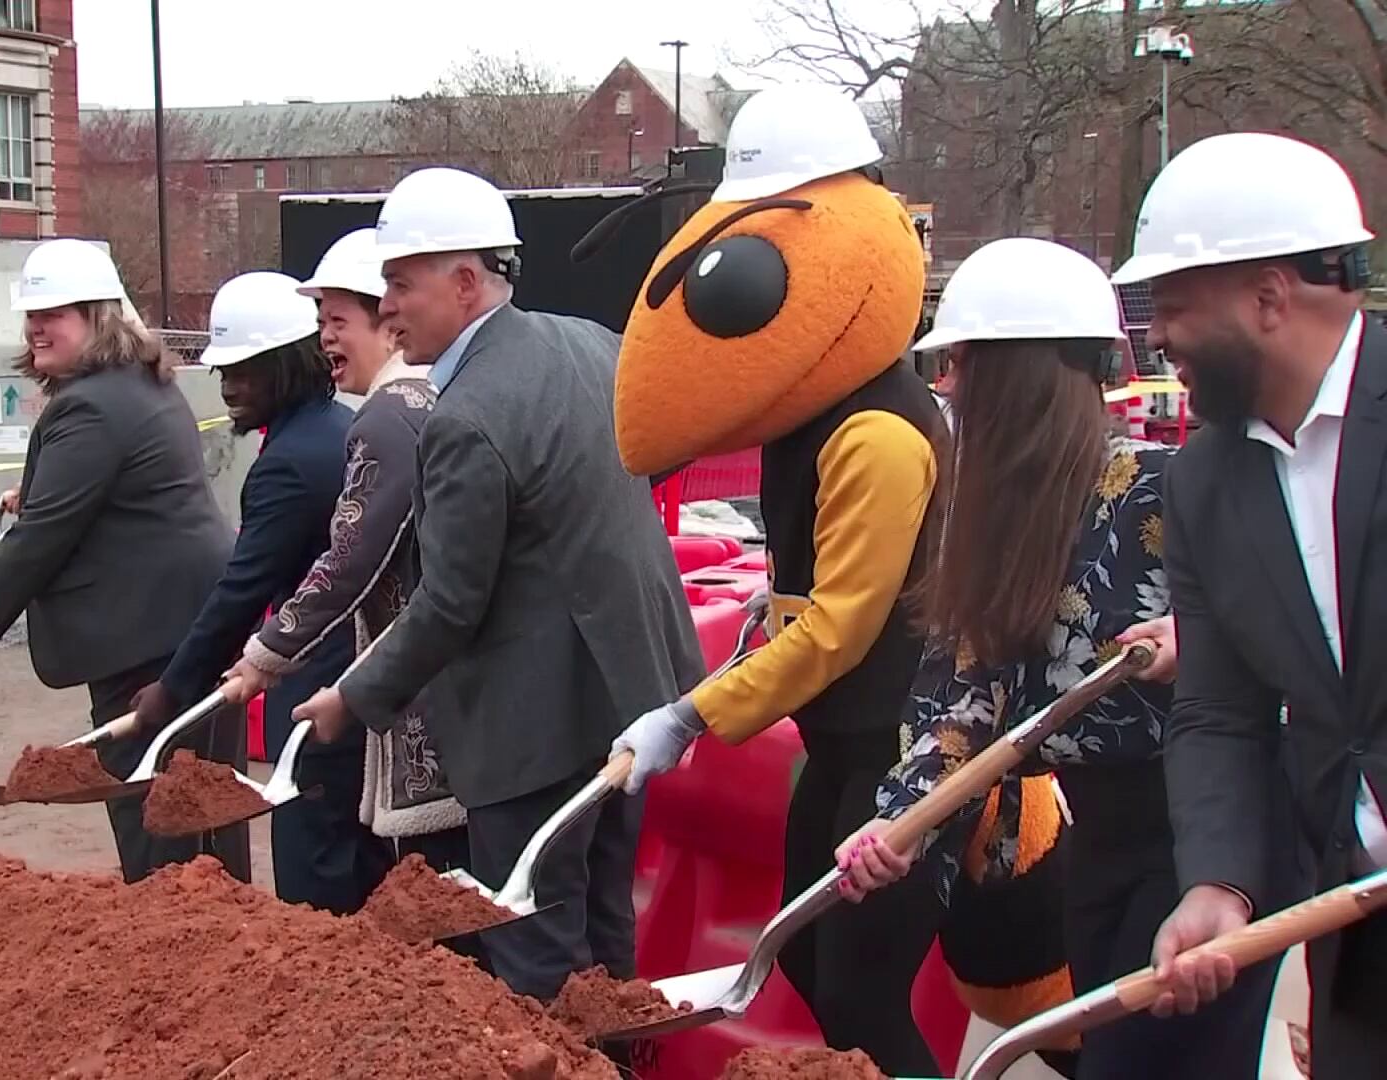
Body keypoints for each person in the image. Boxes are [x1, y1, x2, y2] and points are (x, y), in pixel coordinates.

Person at [831, 237, 1280, 1079]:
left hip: (1204, 832)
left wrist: (1202, 646)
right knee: (1105, 1052)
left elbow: (1295, 645)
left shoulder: (1168, 488)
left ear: (1018, 376)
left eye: (960, 364)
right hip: (1099, 840)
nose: (947, 386)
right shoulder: (989, 516)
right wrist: (899, 821)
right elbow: (966, 698)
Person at [595, 82, 953, 1076]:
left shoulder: (878, 430)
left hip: (896, 750)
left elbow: (843, 624)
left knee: (861, 993)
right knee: (802, 954)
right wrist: (771, 599)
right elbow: (820, 589)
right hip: (837, 746)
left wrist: (693, 714)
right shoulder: (820, 418)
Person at [294, 166, 704, 1002]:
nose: (391, 307)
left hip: (534, 730)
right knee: (605, 934)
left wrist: (351, 695)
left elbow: (449, 601)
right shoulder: (592, 344)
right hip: (632, 702)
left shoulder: (465, 417)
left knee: (536, 951)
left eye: (400, 286)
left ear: (466, 282)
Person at [1110, 131, 1385, 1079]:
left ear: (1269, 296)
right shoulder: (1202, 484)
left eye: (1175, 306)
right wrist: (1220, 883)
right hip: (1356, 941)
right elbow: (1220, 711)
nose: (1156, 339)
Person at [0, 238, 245, 884]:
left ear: (98, 317)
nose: (37, 326)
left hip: (150, 642)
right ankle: (221, 955)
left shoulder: (93, 405)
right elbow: (111, 491)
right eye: (32, 314)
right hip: (190, 625)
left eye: (56, 313)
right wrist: (38, 490)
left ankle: (175, 959)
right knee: (205, 812)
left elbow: (45, 533)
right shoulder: (138, 387)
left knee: (156, 816)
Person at [222, 228, 470, 880]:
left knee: (441, 906)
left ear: (387, 322)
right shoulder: (433, 397)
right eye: (319, 321)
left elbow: (346, 561)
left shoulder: (388, 414)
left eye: (338, 320)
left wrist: (263, 655)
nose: (326, 337)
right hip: (449, 686)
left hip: (427, 697)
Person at [130, 270, 379, 915]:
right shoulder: (335, 428)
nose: (231, 387)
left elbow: (241, 591)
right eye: (224, 372)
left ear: (291, 365)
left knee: (311, 882)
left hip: (315, 693)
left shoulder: (290, 463)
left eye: (247, 369)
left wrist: (172, 689)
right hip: (357, 687)